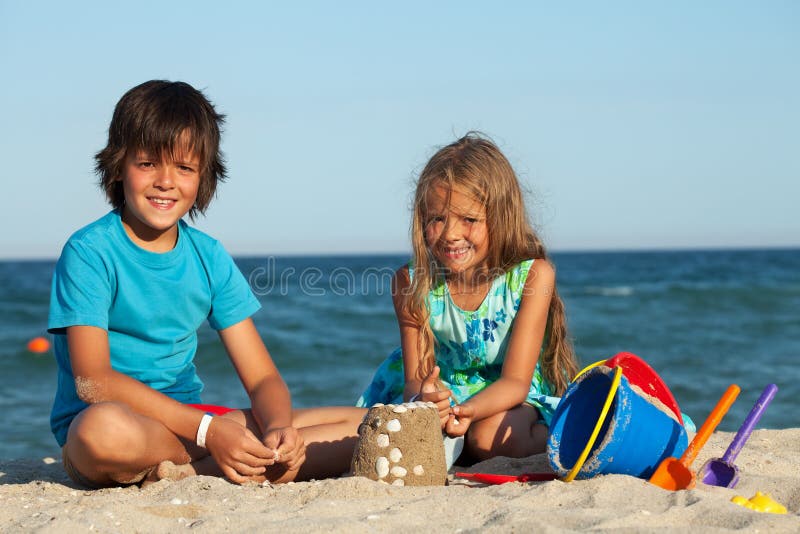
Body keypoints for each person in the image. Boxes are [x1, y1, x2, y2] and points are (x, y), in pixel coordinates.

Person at [48, 80, 365, 488]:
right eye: (148, 164)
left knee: (365, 424)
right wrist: (211, 432)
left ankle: (197, 472)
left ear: (204, 175)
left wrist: (280, 427)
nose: (166, 181)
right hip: (124, 432)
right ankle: (224, 458)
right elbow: (94, 381)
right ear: (118, 165)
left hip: (193, 423)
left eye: (184, 167)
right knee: (102, 431)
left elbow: (263, 379)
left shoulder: (208, 256)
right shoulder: (90, 252)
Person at [357, 132, 580, 462]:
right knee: (363, 427)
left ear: (501, 216)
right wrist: (426, 398)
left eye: (469, 219)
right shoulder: (411, 282)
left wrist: (470, 410)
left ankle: (574, 433)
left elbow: (516, 382)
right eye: (437, 219)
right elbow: (415, 381)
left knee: (488, 437)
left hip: (510, 399)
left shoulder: (532, 276)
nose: (450, 234)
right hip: (446, 400)